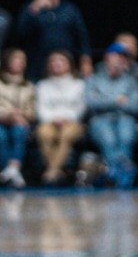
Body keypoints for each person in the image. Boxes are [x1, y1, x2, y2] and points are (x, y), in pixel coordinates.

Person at [83, 42, 138, 188]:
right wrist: (117, 101)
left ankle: (116, 173)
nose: (119, 60)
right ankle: (121, 172)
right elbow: (91, 103)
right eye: (116, 56)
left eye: (123, 57)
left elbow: (135, 106)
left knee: (126, 135)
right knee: (108, 138)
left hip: (124, 117)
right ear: (107, 57)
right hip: (100, 119)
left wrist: (105, 99)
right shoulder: (94, 79)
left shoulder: (131, 81)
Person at [0, 46, 35, 188]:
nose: (20, 62)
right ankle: (11, 172)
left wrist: (21, 115)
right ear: (6, 61)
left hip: (18, 122)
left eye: (23, 60)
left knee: (20, 131)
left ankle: (11, 170)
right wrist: (9, 114)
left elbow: (32, 110)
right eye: (16, 59)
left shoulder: (28, 86)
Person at [16, 0, 90, 76]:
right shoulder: (29, 9)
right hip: (37, 68)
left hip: (66, 67)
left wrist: (86, 61)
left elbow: (82, 37)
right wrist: (34, 9)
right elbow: (20, 35)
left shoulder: (70, 9)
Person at [34, 50, 87, 185]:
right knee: (43, 133)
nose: (57, 64)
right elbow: (41, 107)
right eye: (53, 61)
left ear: (69, 64)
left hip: (72, 122)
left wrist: (66, 118)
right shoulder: (43, 85)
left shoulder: (79, 84)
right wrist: (53, 119)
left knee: (66, 134)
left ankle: (51, 172)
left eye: (61, 60)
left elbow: (81, 107)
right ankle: (56, 171)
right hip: (50, 121)